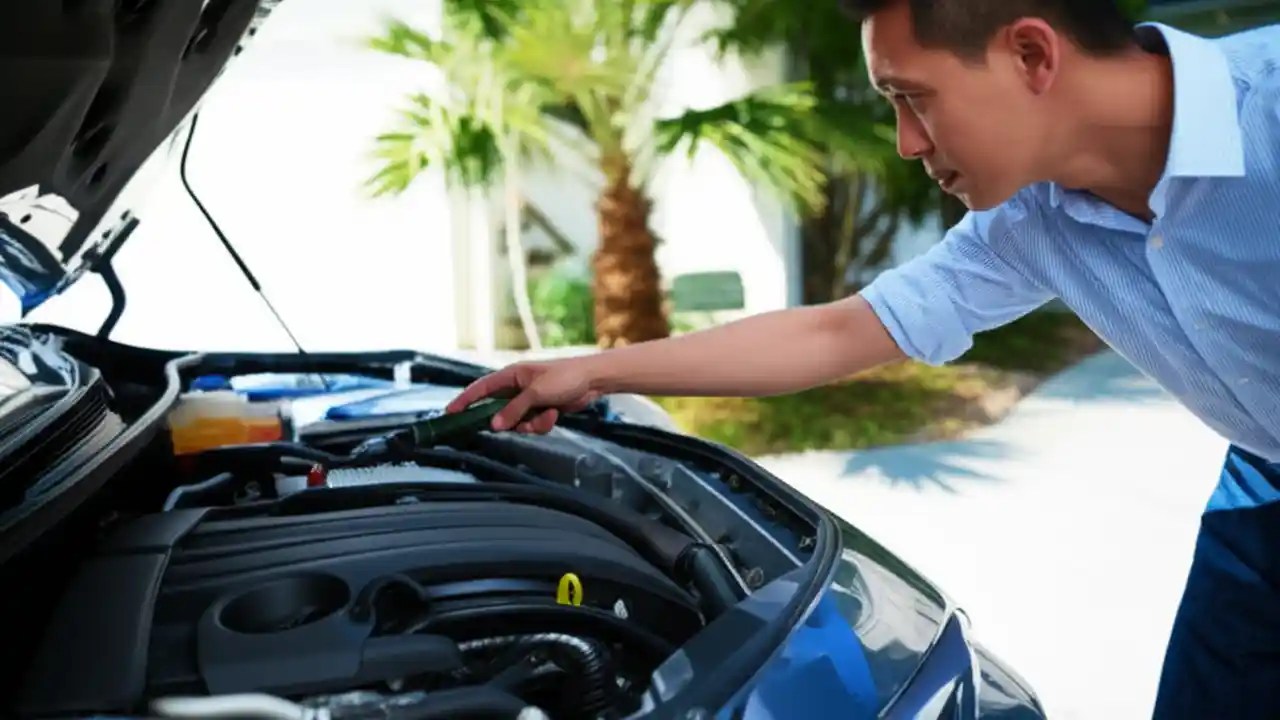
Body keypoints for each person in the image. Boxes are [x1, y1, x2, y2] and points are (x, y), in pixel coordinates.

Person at [446, 1, 1280, 715]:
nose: (906, 143)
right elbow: (839, 330)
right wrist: (594, 370)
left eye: (914, 99)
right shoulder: (1031, 220)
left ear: (1031, 54)